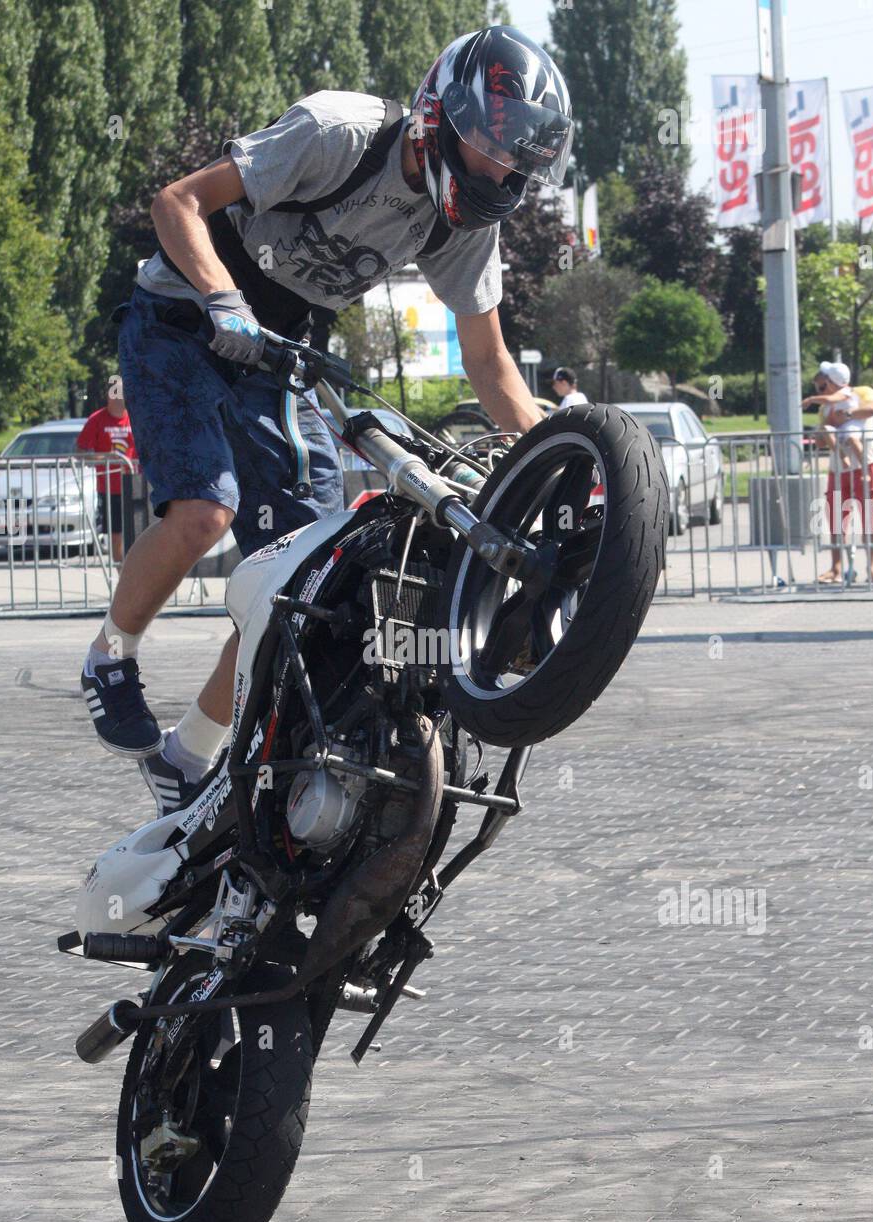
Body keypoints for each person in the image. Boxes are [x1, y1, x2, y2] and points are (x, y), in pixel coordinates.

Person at [78, 24, 574, 813]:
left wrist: (563, 453)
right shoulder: (337, 132)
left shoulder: (466, 226)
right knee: (206, 509)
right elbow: (177, 202)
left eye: (518, 158)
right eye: (491, 145)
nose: (499, 169)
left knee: (306, 576)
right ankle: (111, 654)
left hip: (281, 355)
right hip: (181, 315)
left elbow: (489, 363)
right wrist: (223, 303)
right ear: (439, 114)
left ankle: (187, 756)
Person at [802, 361, 873, 583]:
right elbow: (820, 441)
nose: (820, 391)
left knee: (870, 516)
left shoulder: (862, 391)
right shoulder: (824, 407)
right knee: (836, 519)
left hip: (867, 463)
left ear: (830, 382)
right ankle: (835, 569)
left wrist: (845, 415)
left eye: (821, 387)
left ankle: (872, 567)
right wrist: (826, 426)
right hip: (838, 469)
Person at [75, 379, 137, 563]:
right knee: (116, 534)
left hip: (135, 485)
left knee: (139, 532)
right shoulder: (97, 419)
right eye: (116, 391)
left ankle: (137, 575)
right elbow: (80, 453)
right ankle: (121, 575)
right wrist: (105, 458)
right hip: (110, 489)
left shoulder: (136, 417)